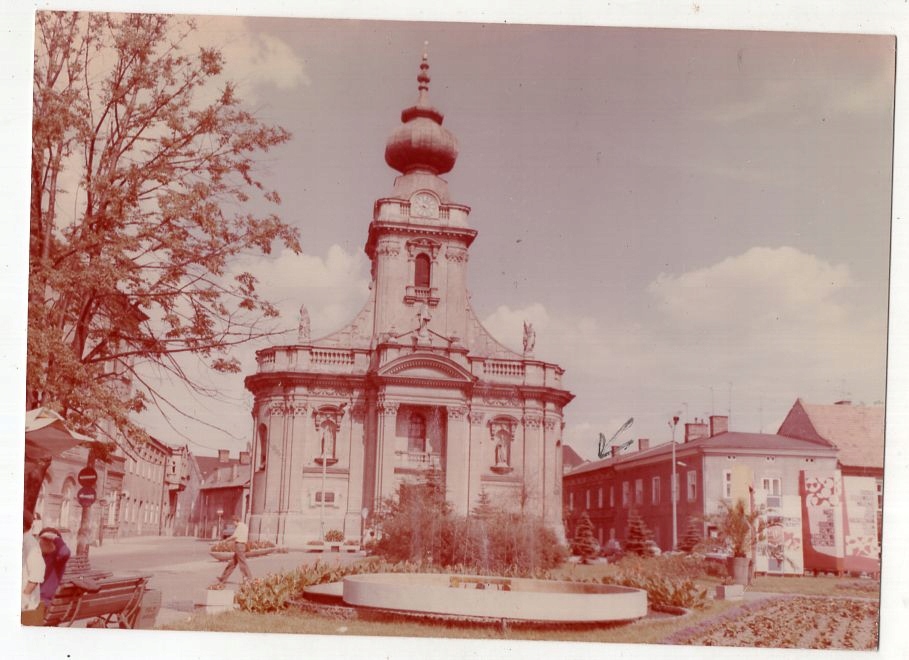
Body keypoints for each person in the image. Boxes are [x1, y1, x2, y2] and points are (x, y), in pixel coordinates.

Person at [21, 511, 46, 625]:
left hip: (26, 607)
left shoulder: (30, 545)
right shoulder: (23, 542)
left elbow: (36, 575)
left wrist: (24, 598)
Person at [215, 514, 252, 586]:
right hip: (242, 545)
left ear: (236, 521)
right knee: (232, 563)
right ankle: (223, 578)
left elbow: (235, 536)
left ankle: (248, 578)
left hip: (239, 546)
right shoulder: (245, 526)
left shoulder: (240, 527)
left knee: (242, 563)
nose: (234, 524)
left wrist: (226, 540)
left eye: (233, 522)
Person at [38, 528, 71, 606]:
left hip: (43, 601)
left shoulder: (57, 560)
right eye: (42, 540)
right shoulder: (38, 556)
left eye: (47, 540)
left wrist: (55, 538)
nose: (42, 543)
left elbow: (65, 553)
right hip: (32, 598)